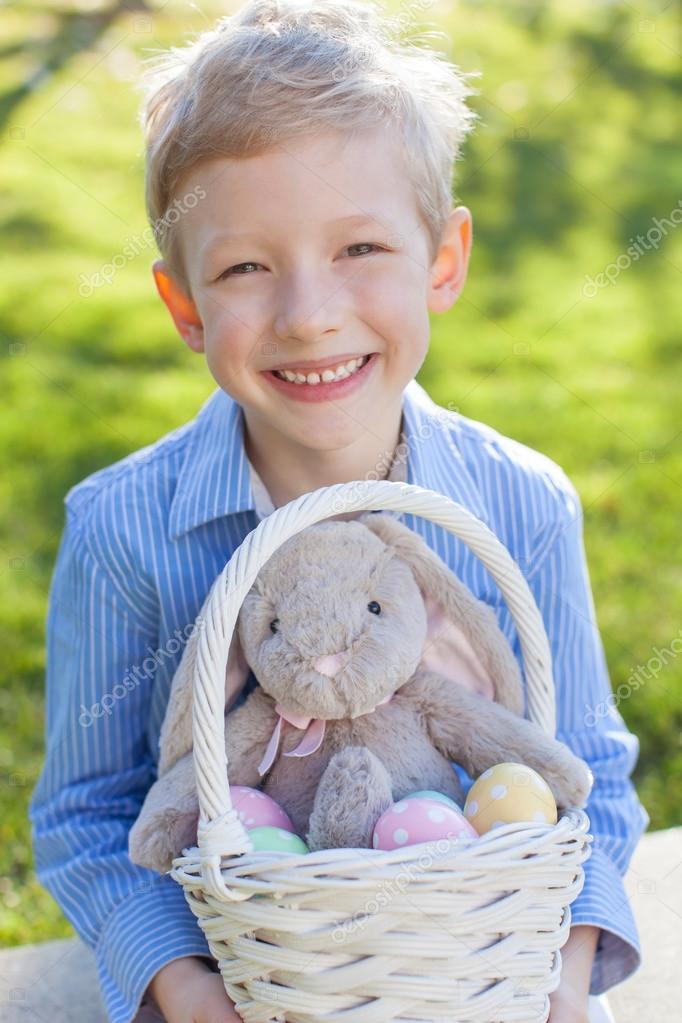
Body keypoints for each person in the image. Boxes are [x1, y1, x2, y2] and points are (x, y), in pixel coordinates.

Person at [29, 2, 648, 1022]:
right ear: (184, 305)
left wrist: (560, 976)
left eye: (360, 247)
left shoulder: (518, 506)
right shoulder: (125, 530)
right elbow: (88, 816)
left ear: (443, 261)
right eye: (243, 267)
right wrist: (184, 989)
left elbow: (586, 780)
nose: (309, 312)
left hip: (486, 970)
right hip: (250, 983)